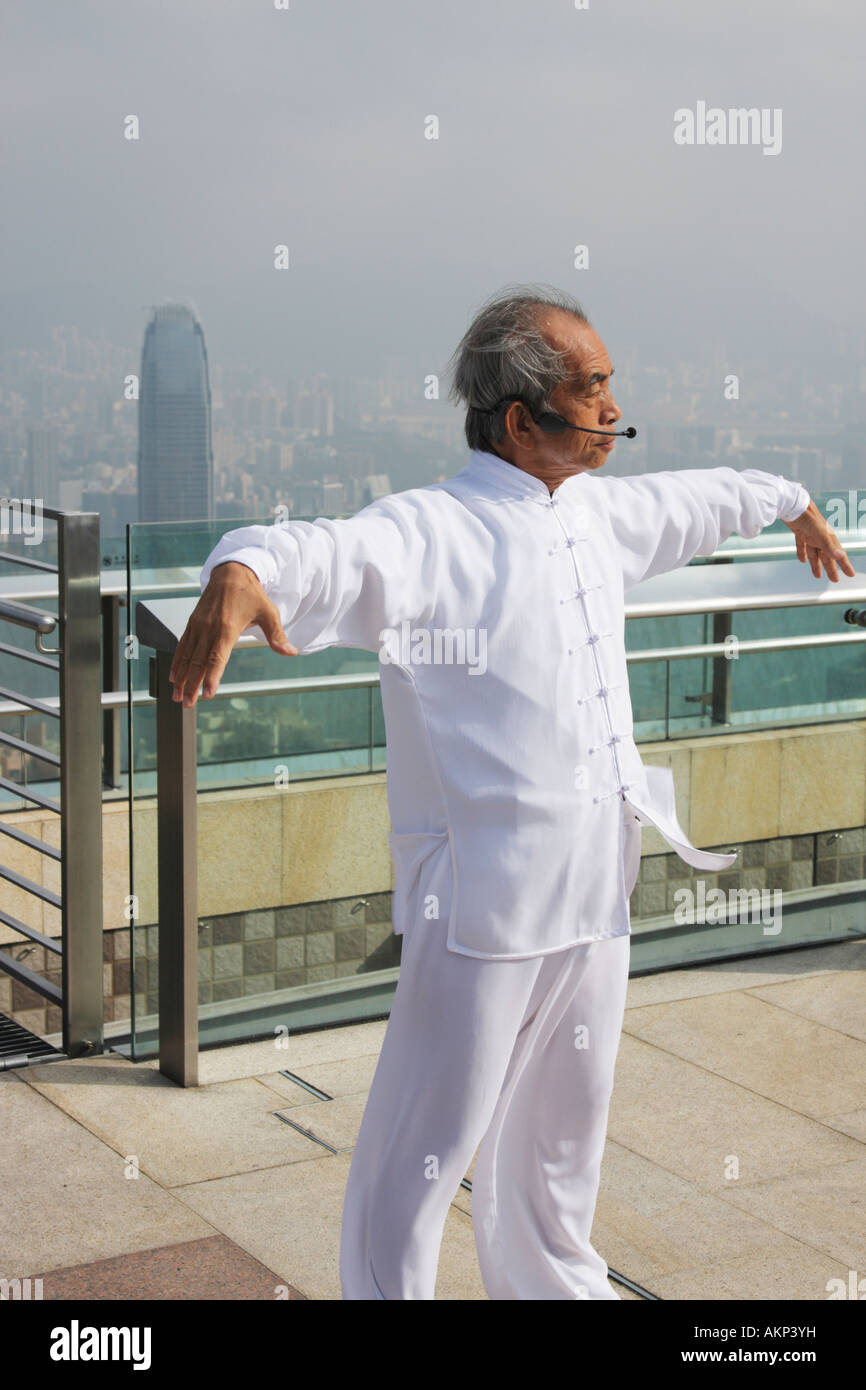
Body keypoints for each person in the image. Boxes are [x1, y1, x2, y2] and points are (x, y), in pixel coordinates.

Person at [169, 286, 854, 1299]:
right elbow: (325, 551)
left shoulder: (594, 511)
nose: (612, 409)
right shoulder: (430, 530)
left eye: (611, 384)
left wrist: (789, 498)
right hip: (480, 901)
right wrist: (240, 566)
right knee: (426, 1144)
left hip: (593, 885)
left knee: (564, 1128)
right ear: (519, 419)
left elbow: (702, 496)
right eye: (591, 390)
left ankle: (553, 1288)